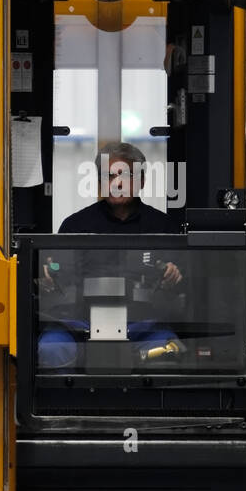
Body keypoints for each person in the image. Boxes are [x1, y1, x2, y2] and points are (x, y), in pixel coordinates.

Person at [38, 142, 183, 368]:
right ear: (99, 183)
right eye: (109, 176)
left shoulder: (164, 227)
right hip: (80, 326)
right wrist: (49, 278)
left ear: (142, 181)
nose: (117, 183)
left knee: (166, 354)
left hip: (143, 327)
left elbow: (182, 282)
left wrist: (173, 278)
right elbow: (56, 274)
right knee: (51, 350)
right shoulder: (75, 225)